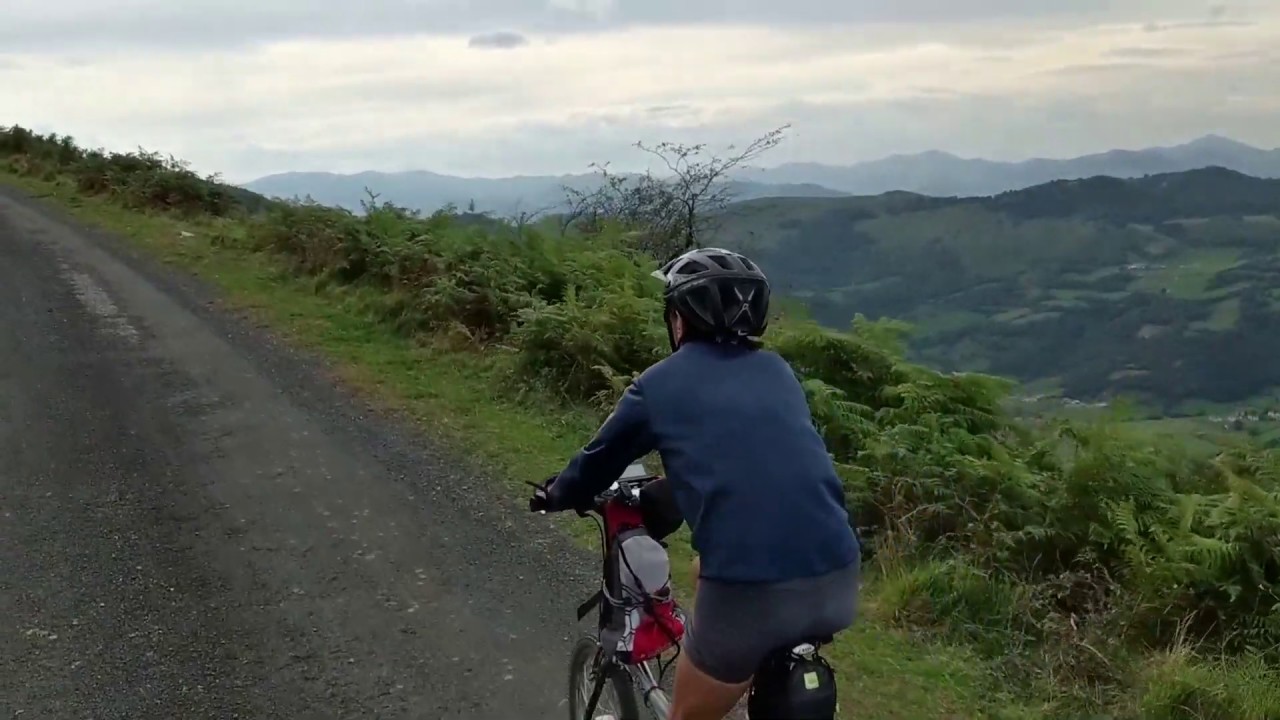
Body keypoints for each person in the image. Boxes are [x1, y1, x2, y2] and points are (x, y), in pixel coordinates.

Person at [535, 247, 861, 720]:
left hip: (752, 594)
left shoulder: (658, 385)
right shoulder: (779, 373)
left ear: (680, 320)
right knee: (706, 569)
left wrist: (557, 494)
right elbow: (755, 463)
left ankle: (728, 659)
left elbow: (594, 464)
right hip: (839, 576)